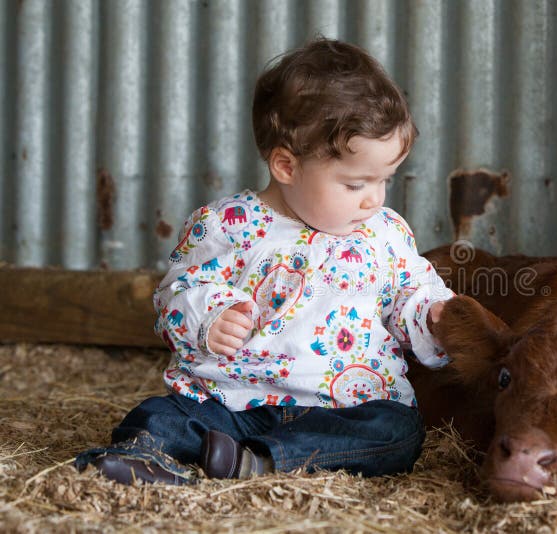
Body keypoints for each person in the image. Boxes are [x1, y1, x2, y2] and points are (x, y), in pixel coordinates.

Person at [74, 38, 453, 485]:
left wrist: (433, 314)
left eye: (385, 179)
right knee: (162, 413)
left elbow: (408, 294)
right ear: (286, 166)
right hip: (233, 402)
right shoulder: (226, 225)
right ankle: (144, 456)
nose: (375, 198)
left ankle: (259, 460)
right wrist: (209, 318)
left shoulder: (385, 233)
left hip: (345, 406)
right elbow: (177, 293)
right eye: (355, 184)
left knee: (397, 432)